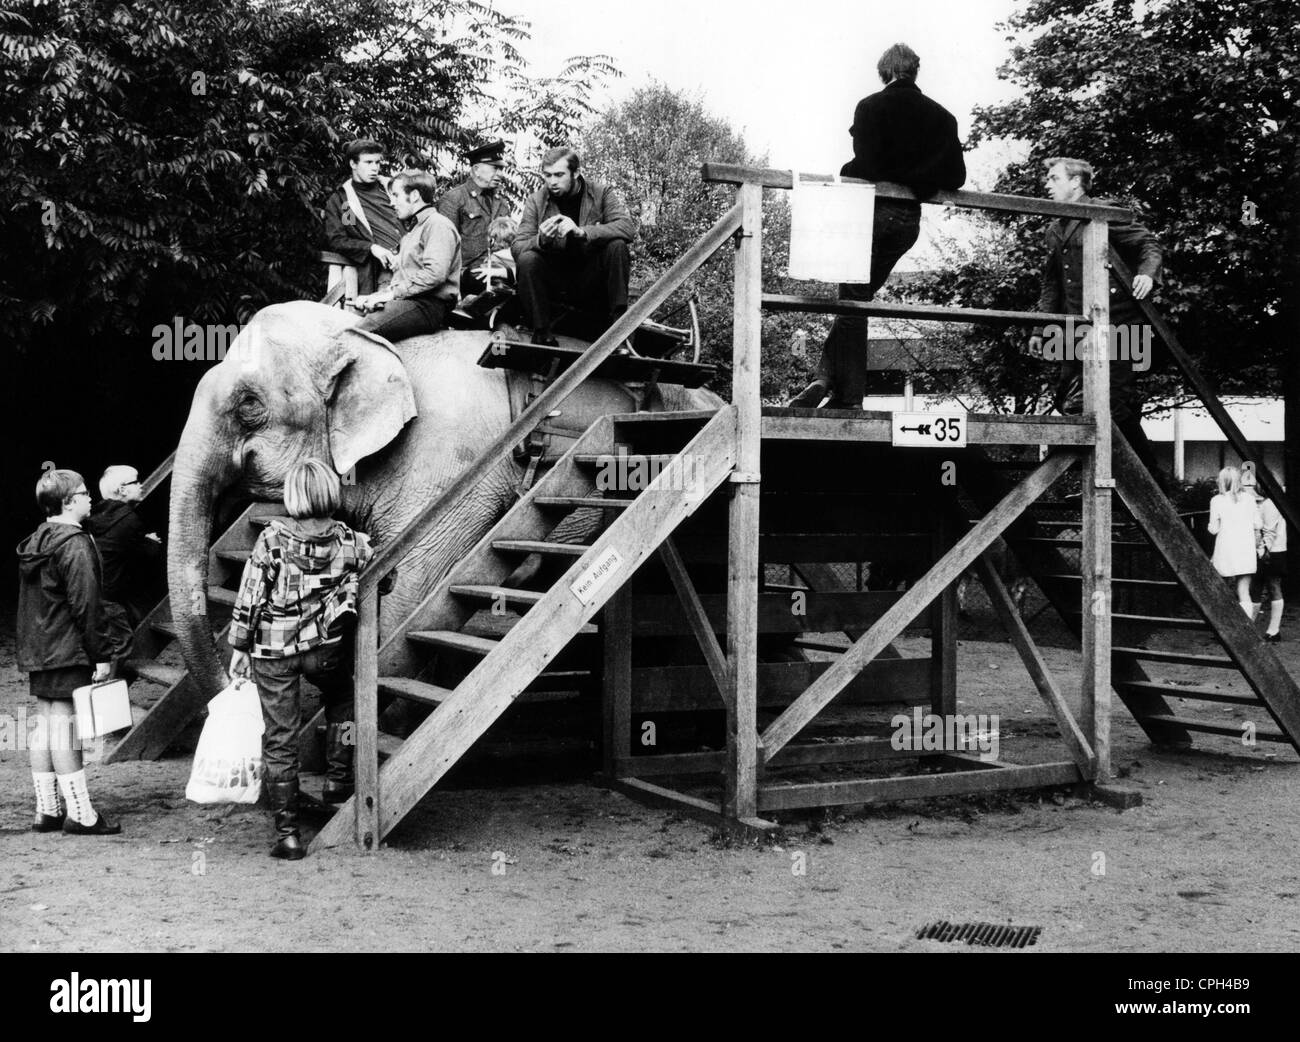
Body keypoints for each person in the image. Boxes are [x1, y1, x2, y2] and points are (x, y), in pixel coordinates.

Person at [789, 43, 966, 409]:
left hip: (869, 215)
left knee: (853, 302)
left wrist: (848, 173)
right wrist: (918, 178)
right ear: (915, 71)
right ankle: (825, 378)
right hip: (907, 223)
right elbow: (956, 176)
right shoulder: (943, 118)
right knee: (857, 299)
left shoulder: (870, 107)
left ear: (884, 72)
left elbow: (864, 165)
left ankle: (848, 397)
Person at [228, 459, 373, 860]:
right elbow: (384, 578)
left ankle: (288, 834)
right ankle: (337, 779)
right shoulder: (350, 540)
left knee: (280, 737)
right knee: (343, 698)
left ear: (292, 495)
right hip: (324, 649)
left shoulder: (272, 541)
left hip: (273, 652)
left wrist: (239, 647)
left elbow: (250, 598)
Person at [1026, 156, 1166, 485]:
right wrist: (1038, 329)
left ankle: (1149, 480)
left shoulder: (1102, 212)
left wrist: (1147, 274)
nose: (1048, 183)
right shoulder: (1054, 228)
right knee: (1066, 400)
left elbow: (1149, 243)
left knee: (1109, 403)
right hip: (1076, 326)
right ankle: (1117, 476)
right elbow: (1052, 284)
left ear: (1076, 183)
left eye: (1054, 177)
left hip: (1117, 324)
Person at [16, 469, 122, 835]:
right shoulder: (75, 543)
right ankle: (81, 814)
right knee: (65, 729)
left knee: (46, 724)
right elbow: (87, 604)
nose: (90, 497)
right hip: (67, 648)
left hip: (40, 648)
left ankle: (47, 810)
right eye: (84, 492)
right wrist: (102, 654)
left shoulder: (36, 540)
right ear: (67, 502)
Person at [512, 146, 636, 346]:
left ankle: (620, 330)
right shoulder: (536, 201)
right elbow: (517, 248)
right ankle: (541, 333)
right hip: (555, 284)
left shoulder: (601, 193)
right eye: (547, 175)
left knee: (617, 246)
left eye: (559, 175)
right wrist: (541, 240)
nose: (552, 182)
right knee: (527, 258)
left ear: (576, 173)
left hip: (591, 282)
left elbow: (627, 228)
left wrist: (583, 231)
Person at [353, 170, 463, 342]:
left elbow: (435, 274)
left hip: (427, 305)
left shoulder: (438, 225)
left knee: (359, 333)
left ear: (414, 195)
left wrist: (391, 294)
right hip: (411, 302)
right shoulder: (414, 230)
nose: (391, 202)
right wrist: (377, 296)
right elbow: (406, 277)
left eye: (396, 195)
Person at [321, 139, 406, 296]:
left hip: (410, 261)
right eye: (368, 162)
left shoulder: (393, 190)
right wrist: (371, 248)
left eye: (377, 162)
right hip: (379, 271)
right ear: (353, 164)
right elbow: (338, 240)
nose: (375, 168)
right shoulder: (344, 200)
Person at [84, 465, 163, 627]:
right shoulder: (128, 519)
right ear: (122, 490)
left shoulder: (98, 514)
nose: (141, 485)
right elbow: (148, 554)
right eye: (136, 482)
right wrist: (151, 541)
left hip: (96, 590)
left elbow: (118, 542)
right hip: (114, 597)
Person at [437, 140, 515, 297]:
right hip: (468, 274)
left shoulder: (502, 203)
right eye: (495, 168)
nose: (500, 174)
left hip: (497, 268)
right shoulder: (454, 198)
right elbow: (443, 246)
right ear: (477, 169)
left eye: (501, 169)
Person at [1207, 465, 1259, 617]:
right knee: (1244, 591)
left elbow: (1213, 529)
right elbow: (1257, 523)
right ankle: (1247, 627)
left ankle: (1224, 625)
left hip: (1225, 549)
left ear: (1222, 481)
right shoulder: (1249, 499)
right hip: (1245, 549)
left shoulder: (1217, 500)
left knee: (1221, 590)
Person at [1243, 466, 1287, 642]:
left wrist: (1261, 552)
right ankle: (1270, 629)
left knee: (1264, 587)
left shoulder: (1270, 505)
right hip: (1276, 550)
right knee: (1267, 587)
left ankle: (1266, 629)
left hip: (1269, 552)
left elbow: (1269, 531)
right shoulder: (1273, 502)